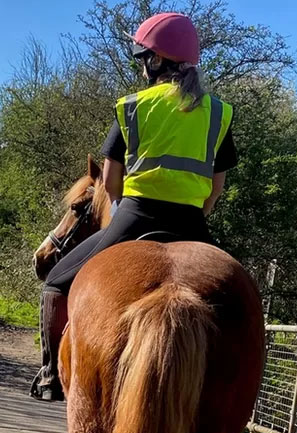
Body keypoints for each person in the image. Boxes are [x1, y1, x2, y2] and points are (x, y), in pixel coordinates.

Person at [30, 12, 238, 401]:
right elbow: (217, 185)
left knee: (57, 282)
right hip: (192, 222)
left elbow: (109, 182)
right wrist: (195, 213)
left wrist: (127, 208)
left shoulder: (133, 106)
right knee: (236, 304)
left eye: (144, 57)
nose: (142, 66)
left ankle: (50, 376)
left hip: (134, 215)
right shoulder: (218, 113)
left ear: (157, 61)